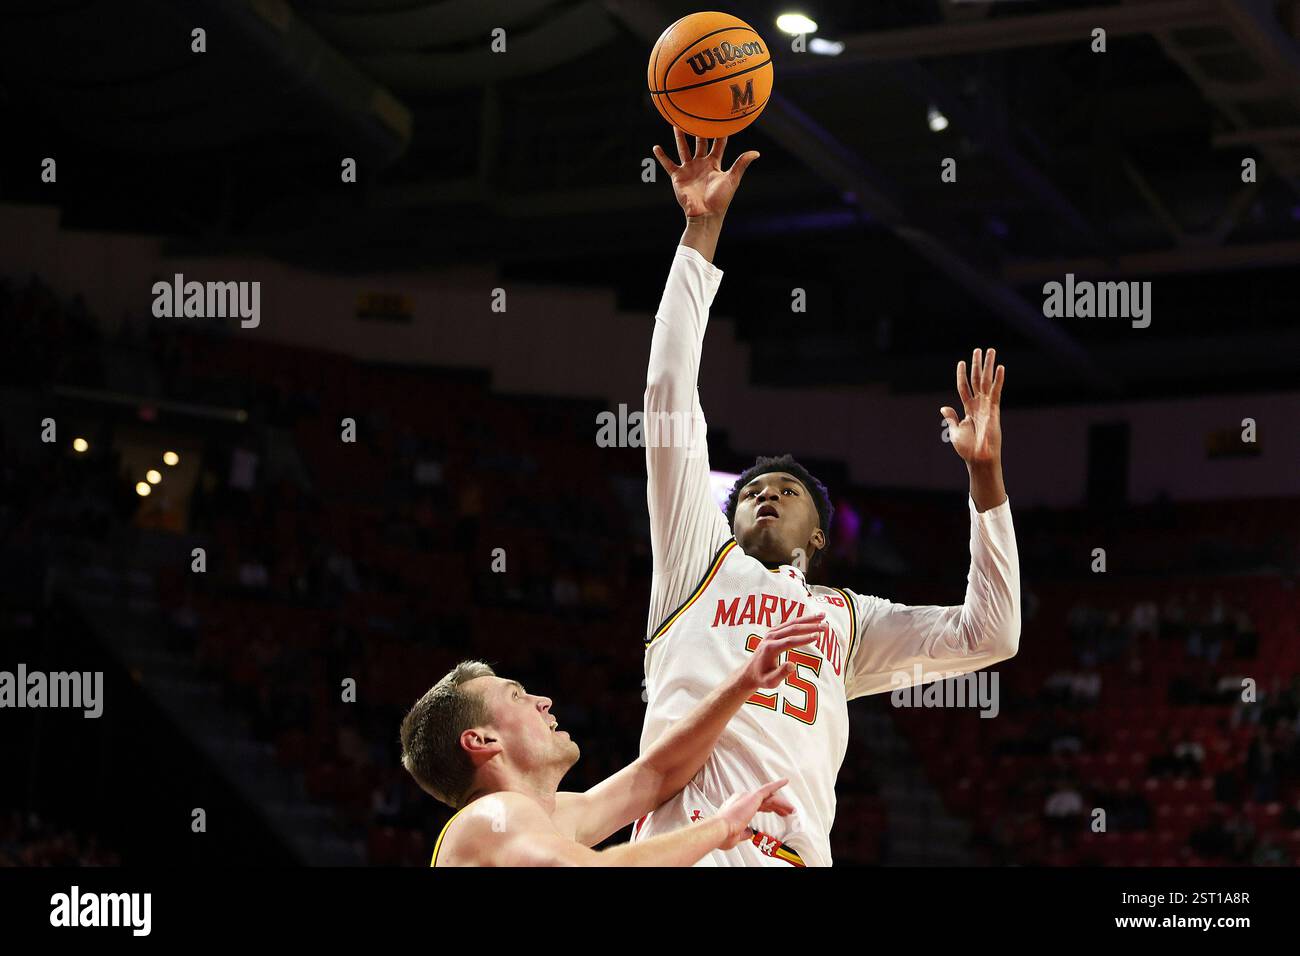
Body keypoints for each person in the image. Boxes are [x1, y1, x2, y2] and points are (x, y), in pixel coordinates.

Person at [634, 129, 1022, 866]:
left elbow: (992, 636)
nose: (766, 496)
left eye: (785, 490)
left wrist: (986, 479)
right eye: (750, 492)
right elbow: (667, 397)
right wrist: (701, 234)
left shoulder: (847, 620)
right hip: (689, 854)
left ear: (821, 536)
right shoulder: (695, 565)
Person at [400, 613, 825, 865]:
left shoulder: (542, 818)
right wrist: (722, 827)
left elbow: (656, 775)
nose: (542, 701)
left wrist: (747, 680)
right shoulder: (490, 816)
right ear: (482, 740)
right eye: (516, 695)